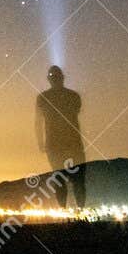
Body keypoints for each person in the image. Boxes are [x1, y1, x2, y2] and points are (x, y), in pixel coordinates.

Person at [34, 65, 87, 208]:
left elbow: (38, 122)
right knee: (76, 180)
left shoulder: (43, 98)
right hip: (71, 143)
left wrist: (41, 142)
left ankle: (67, 211)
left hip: (57, 144)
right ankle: (77, 211)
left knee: (61, 180)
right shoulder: (73, 96)